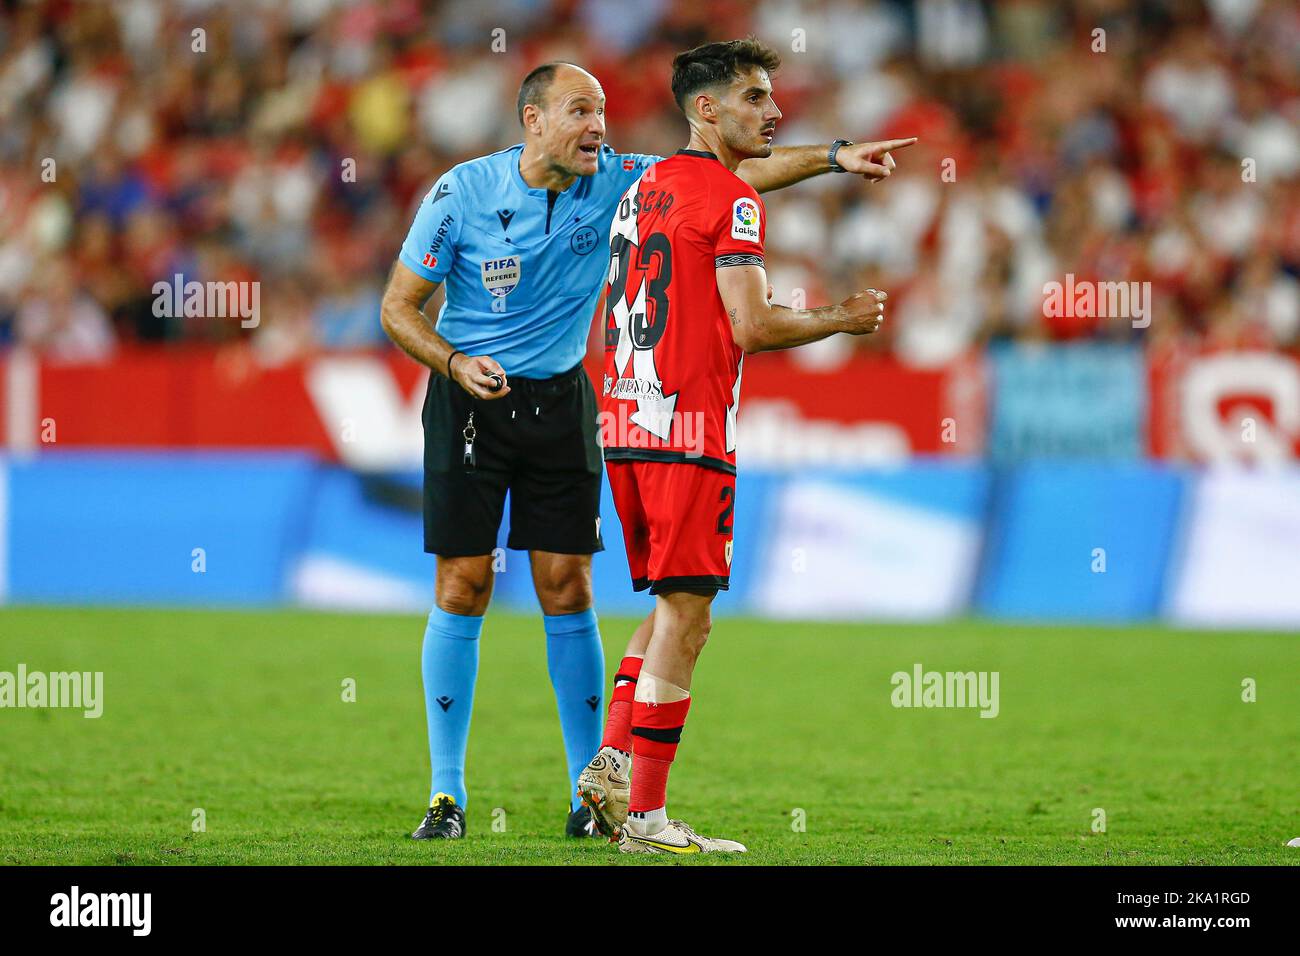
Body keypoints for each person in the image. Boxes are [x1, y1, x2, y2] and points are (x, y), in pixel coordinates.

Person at [381, 59, 913, 840]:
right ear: (532, 120)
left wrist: (834, 157)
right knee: (464, 585)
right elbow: (397, 308)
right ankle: (447, 793)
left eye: (601, 111)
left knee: (569, 587)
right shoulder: (462, 193)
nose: (599, 126)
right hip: (472, 400)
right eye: (578, 112)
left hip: (567, 401)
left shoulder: (623, 179)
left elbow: (740, 176)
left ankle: (585, 796)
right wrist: (456, 362)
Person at [576, 39, 897, 853]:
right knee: (689, 617)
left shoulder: (646, 184)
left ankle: (609, 768)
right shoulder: (734, 203)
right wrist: (839, 319)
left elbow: (738, 181)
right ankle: (644, 818)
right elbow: (752, 324)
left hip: (625, 424)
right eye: (755, 97)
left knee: (666, 609)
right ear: (707, 108)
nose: (774, 109)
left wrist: (832, 157)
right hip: (691, 432)